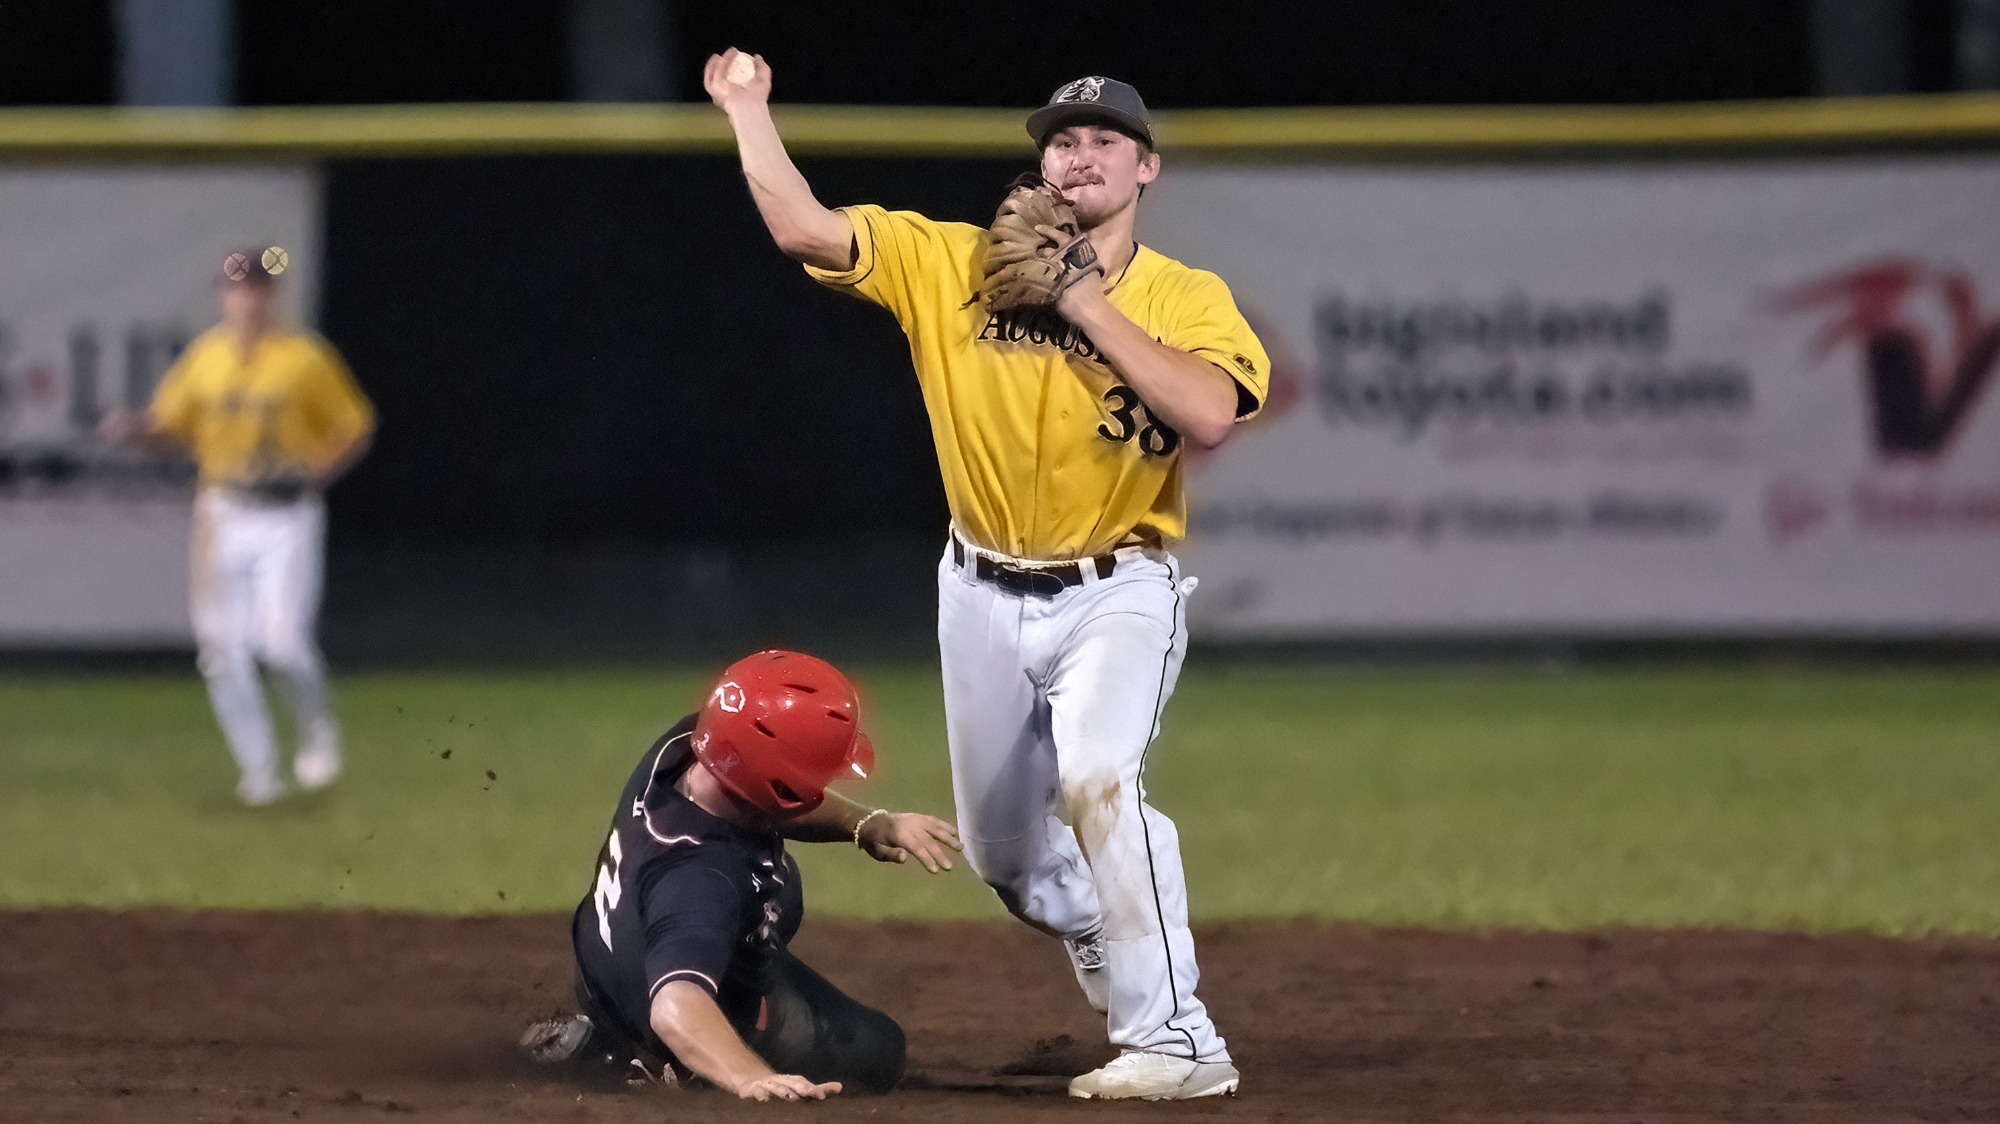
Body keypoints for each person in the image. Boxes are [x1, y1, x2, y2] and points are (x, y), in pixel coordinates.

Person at [702, 53, 1270, 1101]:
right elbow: (801, 225)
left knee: (1097, 778)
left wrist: (1086, 303)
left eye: (1103, 139)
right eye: (1061, 139)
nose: (1078, 152)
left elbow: (1205, 412)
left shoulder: (1184, 296)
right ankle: (1119, 966)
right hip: (976, 590)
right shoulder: (952, 262)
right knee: (1010, 862)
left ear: (1145, 169)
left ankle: (1177, 1038)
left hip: (1118, 587)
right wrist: (746, 108)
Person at [519, 650, 962, 1102]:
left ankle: (614, 1029)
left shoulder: (688, 748)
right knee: (876, 1050)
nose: (823, 781)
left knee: (769, 891)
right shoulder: (703, 879)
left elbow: (766, 788)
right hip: (664, 1002)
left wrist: (867, 823)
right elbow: (675, 1007)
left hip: (619, 954)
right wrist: (749, 1075)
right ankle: (635, 1059)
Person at [101, 248, 374, 807]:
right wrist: (136, 430)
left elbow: (353, 426)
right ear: (223, 295)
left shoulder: (303, 357)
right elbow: (172, 424)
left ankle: (316, 728)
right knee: (222, 651)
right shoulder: (206, 357)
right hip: (224, 511)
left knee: (283, 643)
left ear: (274, 295)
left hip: (286, 515)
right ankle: (260, 772)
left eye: (258, 287)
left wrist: (318, 473)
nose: (247, 297)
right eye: (237, 287)